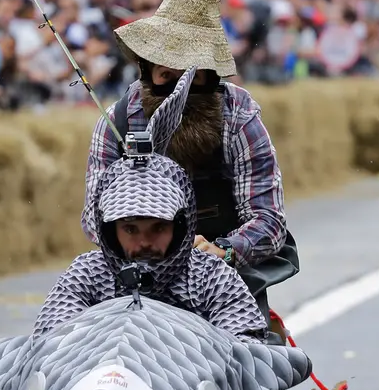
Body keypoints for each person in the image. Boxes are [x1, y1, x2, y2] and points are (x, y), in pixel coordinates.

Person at [80, 0, 298, 342]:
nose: (180, 92)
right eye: (168, 75)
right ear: (147, 69)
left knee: (257, 360)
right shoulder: (116, 122)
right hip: (136, 275)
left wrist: (221, 251)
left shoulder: (239, 116)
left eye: (192, 78)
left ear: (211, 75)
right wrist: (142, 240)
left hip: (224, 278)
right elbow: (92, 219)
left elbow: (268, 220)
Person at [34, 66, 268, 345]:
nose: (144, 241)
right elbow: (48, 346)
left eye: (157, 227)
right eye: (131, 229)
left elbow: (247, 353)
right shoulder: (88, 275)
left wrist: (223, 251)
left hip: (227, 261)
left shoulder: (211, 278)